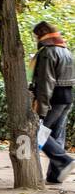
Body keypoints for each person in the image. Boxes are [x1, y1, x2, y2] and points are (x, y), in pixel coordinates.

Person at [31, 21, 75, 183]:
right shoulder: (66, 50)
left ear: (40, 35)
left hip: (54, 98)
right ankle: (55, 175)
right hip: (67, 97)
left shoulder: (47, 52)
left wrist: (41, 109)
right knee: (57, 135)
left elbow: (45, 83)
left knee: (38, 132)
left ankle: (65, 160)